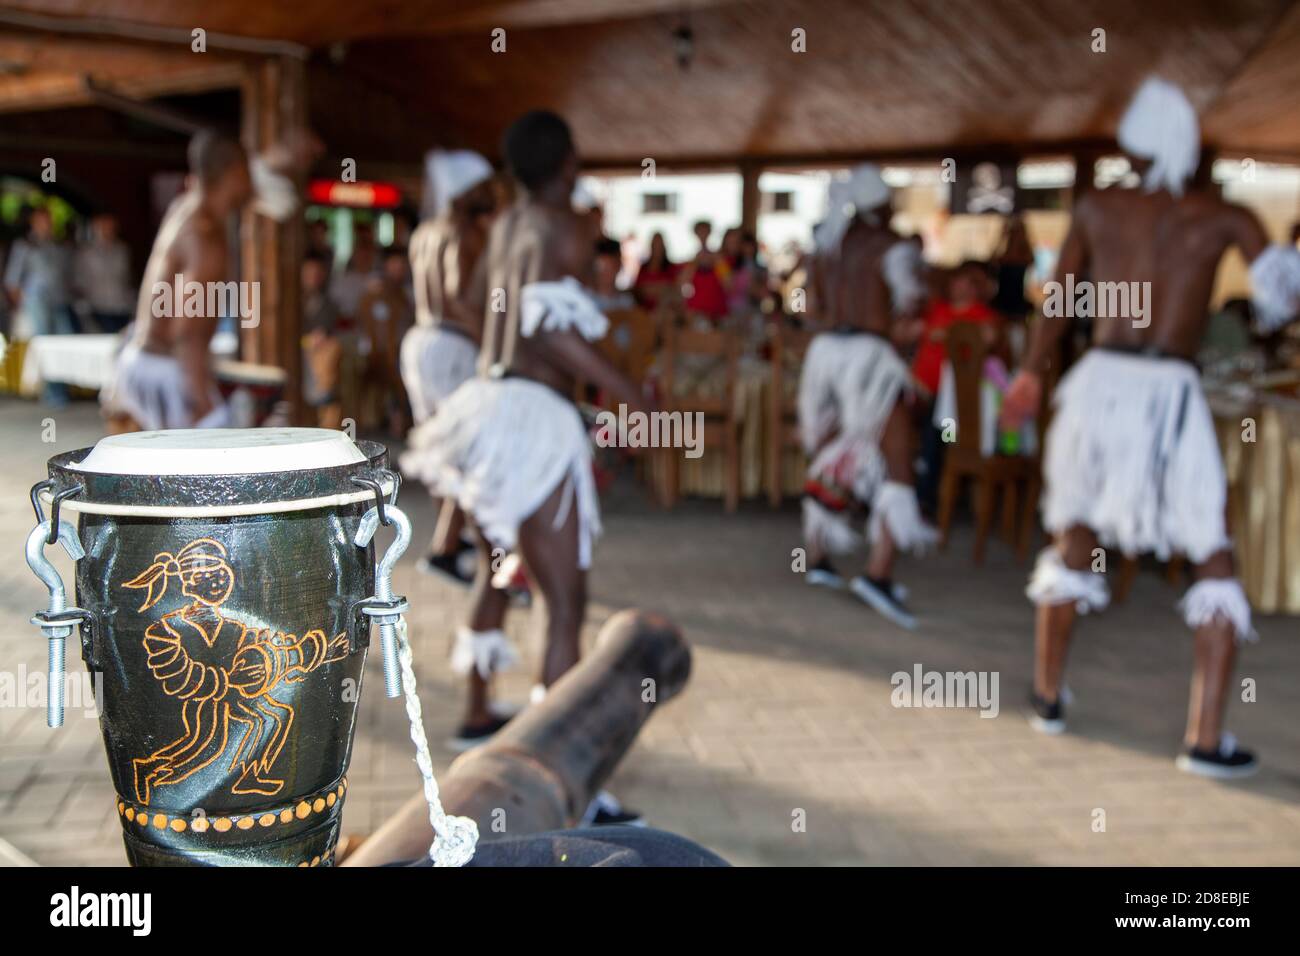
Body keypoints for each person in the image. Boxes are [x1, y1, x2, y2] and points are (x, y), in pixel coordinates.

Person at [1001, 76, 1300, 778]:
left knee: (1073, 536)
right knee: (1212, 554)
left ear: (1136, 145)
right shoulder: (1224, 217)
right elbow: (1283, 302)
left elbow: (1061, 300)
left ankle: (1047, 699)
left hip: (1100, 384)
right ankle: (1203, 741)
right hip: (1170, 392)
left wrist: (1028, 373)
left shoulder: (1099, 207)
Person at [401, 110, 651, 819]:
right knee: (563, 599)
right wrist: (626, 390)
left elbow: (488, 305)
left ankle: (478, 709)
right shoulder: (565, 222)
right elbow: (552, 324)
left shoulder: (505, 224)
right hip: (535, 419)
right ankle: (572, 778)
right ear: (568, 162)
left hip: (488, 406)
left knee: (499, 567)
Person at [798, 164, 937, 628]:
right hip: (871, 358)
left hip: (827, 353)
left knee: (829, 454)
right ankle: (877, 575)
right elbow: (911, 313)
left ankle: (817, 558)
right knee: (898, 463)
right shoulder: (892, 248)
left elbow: (810, 307)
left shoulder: (829, 245)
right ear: (882, 205)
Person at [102, 128, 312, 432]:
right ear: (236, 172)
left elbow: (235, 175)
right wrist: (201, 403)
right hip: (168, 370)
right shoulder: (206, 240)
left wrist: (280, 157)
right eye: (247, 172)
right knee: (205, 465)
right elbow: (189, 335)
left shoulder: (185, 207)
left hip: (141, 360)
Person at [400, 148, 496, 583]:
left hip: (420, 342)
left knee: (441, 449)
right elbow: (458, 294)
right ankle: (446, 547)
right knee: (468, 447)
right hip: (454, 345)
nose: (489, 193)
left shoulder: (424, 232)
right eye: (482, 186)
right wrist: (491, 346)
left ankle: (453, 543)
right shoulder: (463, 232)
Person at [5, 207, 76, 406]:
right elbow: (13, 280)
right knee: (45, 344)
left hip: (60, 299)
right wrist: (20, 306)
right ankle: (53, 394)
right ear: (34, 223)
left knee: (65, 340)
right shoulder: (25, 245)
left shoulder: (57, 245)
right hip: (37, 301)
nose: (48, 224)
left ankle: (62, 388)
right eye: (44, 220)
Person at [75, 213, 134, 333]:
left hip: (122, 304)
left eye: (110, 227)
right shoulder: (86, 253)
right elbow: (79, 281)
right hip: (98, 306)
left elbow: (127, 277)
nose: (106, 231)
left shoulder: (122, 250)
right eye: (102, 227)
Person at [632, 232, 677, 309]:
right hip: (644, 310)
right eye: (655, 244)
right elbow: (638, 289)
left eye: (659, 244)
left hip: (665, 311)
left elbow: (673, 289)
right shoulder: (643, 267)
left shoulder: (670, 268)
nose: (657, 247)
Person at [591, 236, 634, 311]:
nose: (606, 273)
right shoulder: (586, 301)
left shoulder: (626, 303)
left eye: (610, 267)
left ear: (618, 266)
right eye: (601, 267)